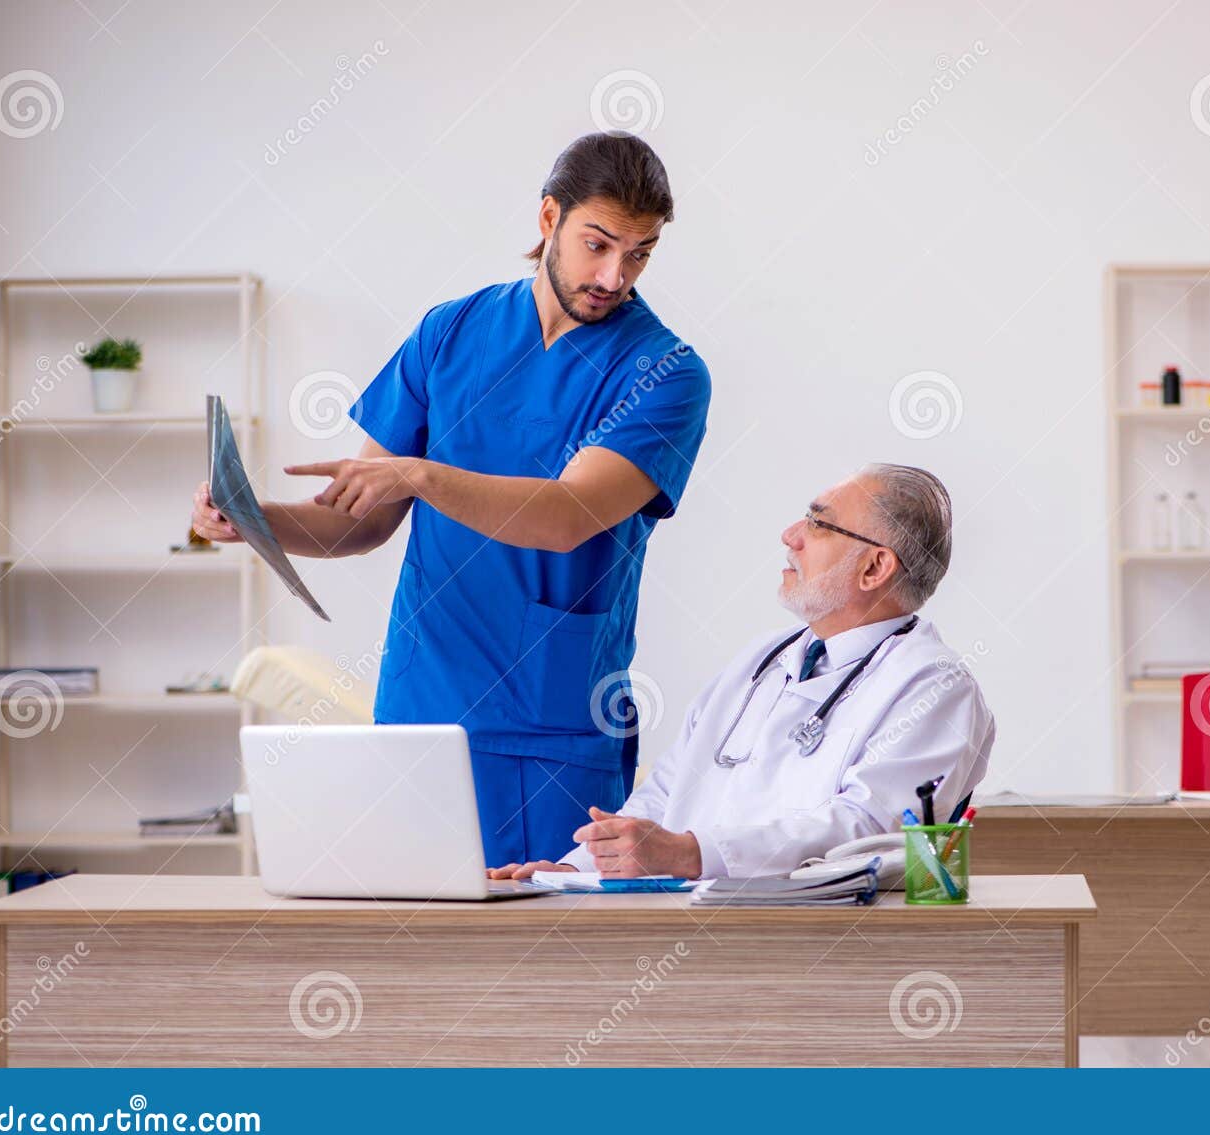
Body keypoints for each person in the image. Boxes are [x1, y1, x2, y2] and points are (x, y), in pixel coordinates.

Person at [191, 132, 712, 867]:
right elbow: (361, 520)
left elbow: (568, 517)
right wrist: (251, 518)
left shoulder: (666, 372)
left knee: (551, 934)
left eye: (639, 254)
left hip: (555, 722)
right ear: (549, 218)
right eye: (597, 244)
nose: (613, 275)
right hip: (423, 705)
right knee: (417, 929)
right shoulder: (450, 332)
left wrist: (420, 475)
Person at [489, 465, 994, 880]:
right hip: (692, 919)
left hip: (812, 939)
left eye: (819, 525)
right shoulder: (762, 660)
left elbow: (871, 829)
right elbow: (667, 792)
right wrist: (570, 871)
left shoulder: (934, 686)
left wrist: (691, 854)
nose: (791, 536)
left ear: (875, 568)